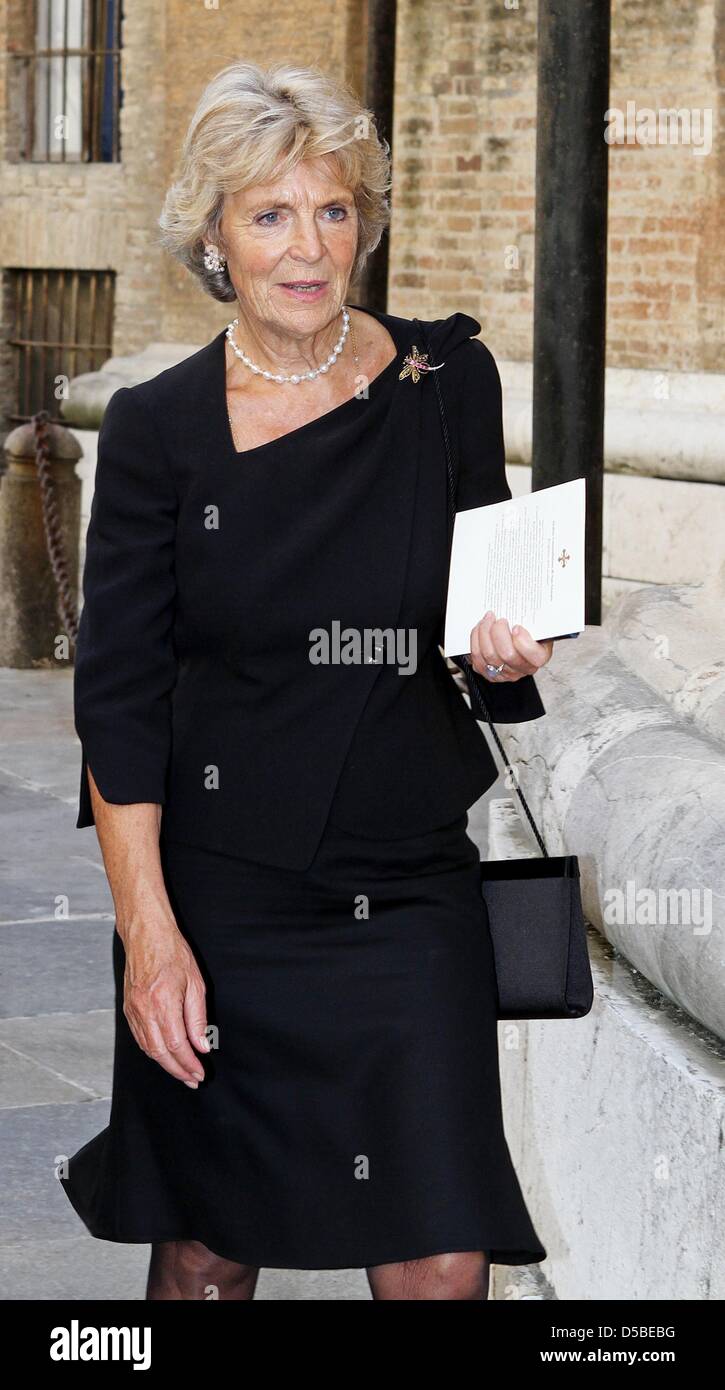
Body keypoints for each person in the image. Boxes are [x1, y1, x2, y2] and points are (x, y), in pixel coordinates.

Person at [59, 60, 554, 1301]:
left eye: (330, 210)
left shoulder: (442, 384)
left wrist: (503, 647)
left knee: (442, 1255)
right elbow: (116, 700)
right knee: (210, 1250)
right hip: (224, 899)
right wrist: (150, 938)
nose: (304, 247)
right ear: (216, 239)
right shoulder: (159, 428)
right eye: (267, 214)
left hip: (407, 885)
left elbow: (477, 618)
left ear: (362, 225)